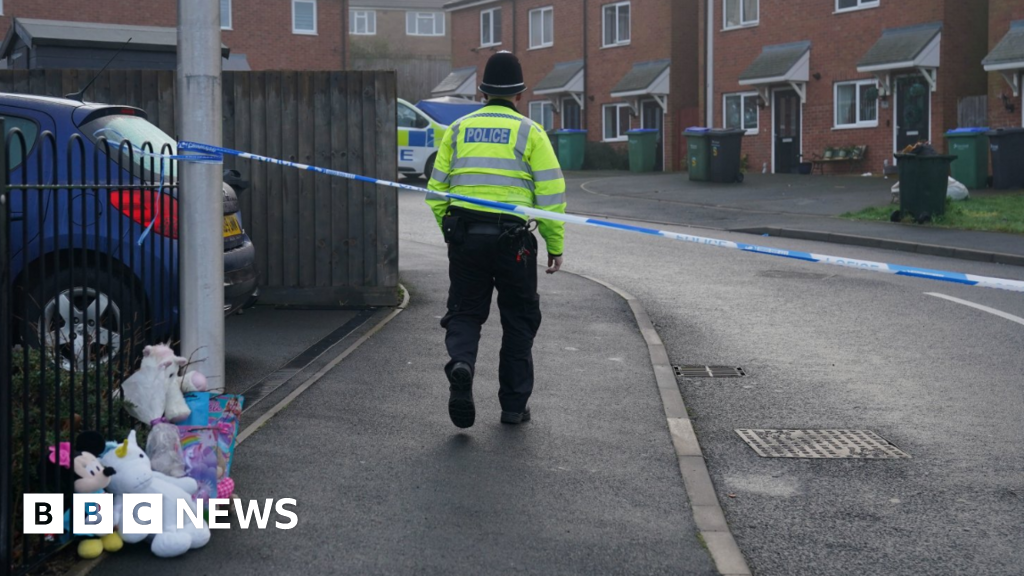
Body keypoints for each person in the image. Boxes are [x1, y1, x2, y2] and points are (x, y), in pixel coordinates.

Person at [425, 50, 566, 429]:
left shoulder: (457, 130)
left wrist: (450, 233)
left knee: (466, 313)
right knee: (518, 321)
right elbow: (552, 195)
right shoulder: (530, 132)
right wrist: (555, 245)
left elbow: (436, 191)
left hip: (466, 237)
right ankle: (513, 407)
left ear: (482, 92)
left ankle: (461, 364)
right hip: (513, 242)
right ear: (520, 94)